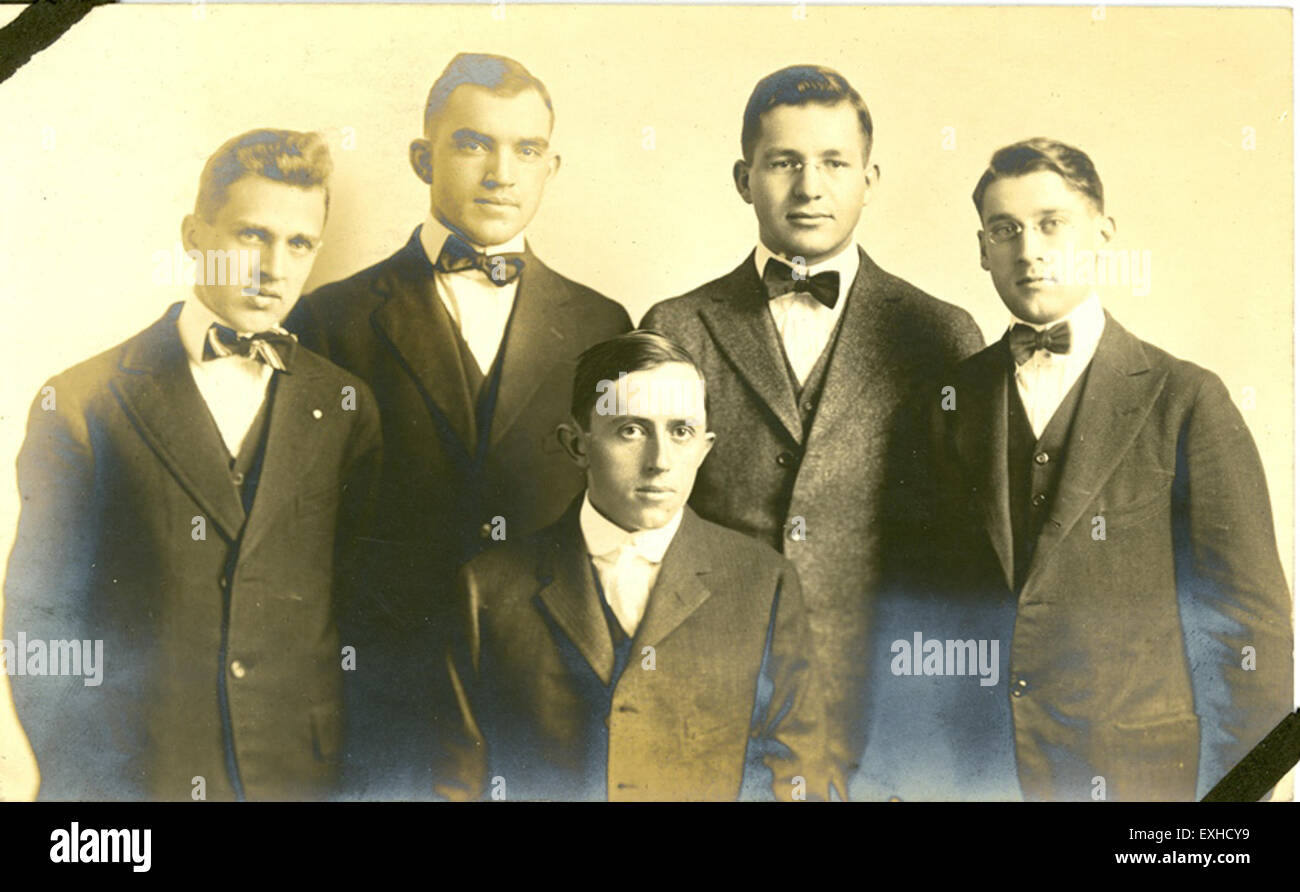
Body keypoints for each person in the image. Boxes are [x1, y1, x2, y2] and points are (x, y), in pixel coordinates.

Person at [865, 137, 1293, 801]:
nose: (1028, 249)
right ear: (983, 251)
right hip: (977, 774)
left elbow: (1252, 625)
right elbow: (912, 617)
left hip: (1145, 780)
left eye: (1051, 223)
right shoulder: (943, 406)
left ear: (1103, 233)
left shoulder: (1184, 398)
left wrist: (1236, 808)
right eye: (1005, 230)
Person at [285, 53, 631, 797]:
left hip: (547, 689)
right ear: (423, 157)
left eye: (526, 150)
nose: (502, 172)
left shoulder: (602, 325)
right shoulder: (330, 317)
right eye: (473, 144)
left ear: (552, 166)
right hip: (387, 686)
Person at [3, 129, 382, 800]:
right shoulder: (85, 404)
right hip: (137, 784)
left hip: (300, 779)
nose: (274, 267)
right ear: (193, 235)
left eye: (299, 244)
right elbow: (40, 626)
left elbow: (363, 614)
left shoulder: (345, 406)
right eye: (250, 236)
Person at [640, 65, 984, 778]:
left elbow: (964, 553)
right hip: (715, 699)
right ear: (744, 178)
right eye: (783, 163)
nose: (809, 186)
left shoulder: (941, 335)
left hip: (885, 710)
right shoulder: (677, 327)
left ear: (870, 179)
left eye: (833, 162)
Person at [432, 331, 832, 801]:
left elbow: (794, 768)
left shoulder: (763, 579)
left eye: (680, 432)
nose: (660, 461)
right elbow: (456, 780)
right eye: (631, 430)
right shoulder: (488, 586)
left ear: (704, 449)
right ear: (577, 446)